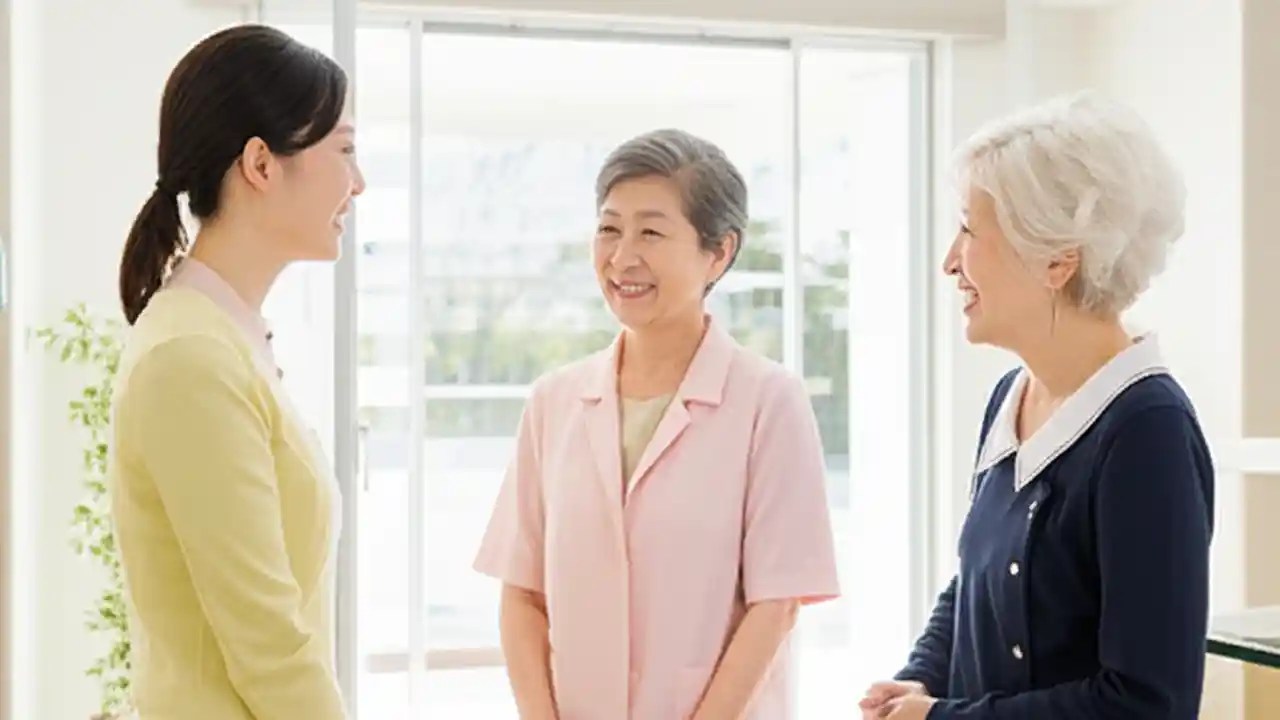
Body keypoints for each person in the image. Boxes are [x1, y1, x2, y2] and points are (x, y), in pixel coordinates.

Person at [859, 91, 1213, 720]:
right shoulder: (1011, 396)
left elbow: (1147, 703)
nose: (949, 260)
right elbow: (977, 581)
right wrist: (922, 677)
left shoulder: (1146, 432)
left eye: (969, 228)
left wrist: (942, 718)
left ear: (1056, 259)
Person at [474, 129, 841, 719]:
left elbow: (776, 606)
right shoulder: (554, 401)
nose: (622, 257)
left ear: (718, 252)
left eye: (650, 231)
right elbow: (521, 593)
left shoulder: (768, 401)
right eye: (609, 228)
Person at [109, 24, 365, 719]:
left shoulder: (222, 340)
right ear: (260, 163)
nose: (358, 183)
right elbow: (270, 647)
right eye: (344, 150)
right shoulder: (191, 358)